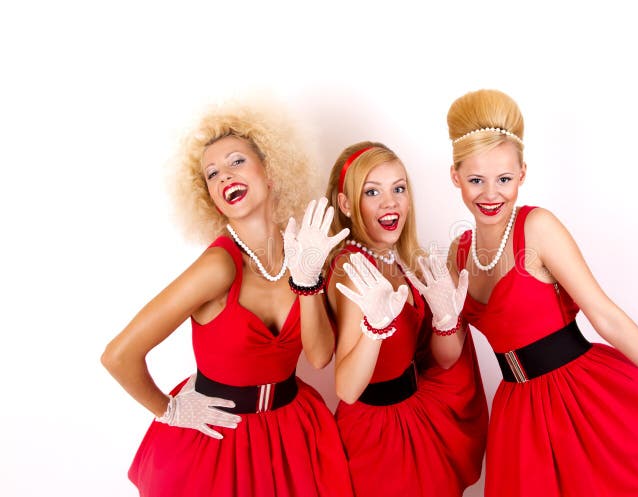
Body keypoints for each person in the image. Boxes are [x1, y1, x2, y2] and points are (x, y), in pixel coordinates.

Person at [445, 89, 638, 497]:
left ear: (523, 174)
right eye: (476, 180)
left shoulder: (538, 228)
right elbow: (449, 356)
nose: (490, 194)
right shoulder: (456, 254)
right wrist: (440, 323)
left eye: (505, 179)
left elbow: (605, 315)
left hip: (579, 399)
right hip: (518, 413)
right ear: (455, 176)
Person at [101, 102, 354, 497]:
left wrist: (308, 283)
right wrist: (170, 410)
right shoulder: (218, 268)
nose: (225, 177)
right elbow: (118, 355)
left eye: (237, 161)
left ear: (270, 171)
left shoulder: (303, 253)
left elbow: (320, 357)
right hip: (219, 441)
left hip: (291, 436)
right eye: (213, 174)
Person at [323, 142, 488, 497]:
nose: (390, 202)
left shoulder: (397, 263)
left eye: (399, 188)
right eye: (372, 192)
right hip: (377, 439)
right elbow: (347, 389)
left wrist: (445, 319)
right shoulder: (353, 269)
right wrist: (374, 329)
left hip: (414, 419)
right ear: (347, 205)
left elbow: (443, 359)